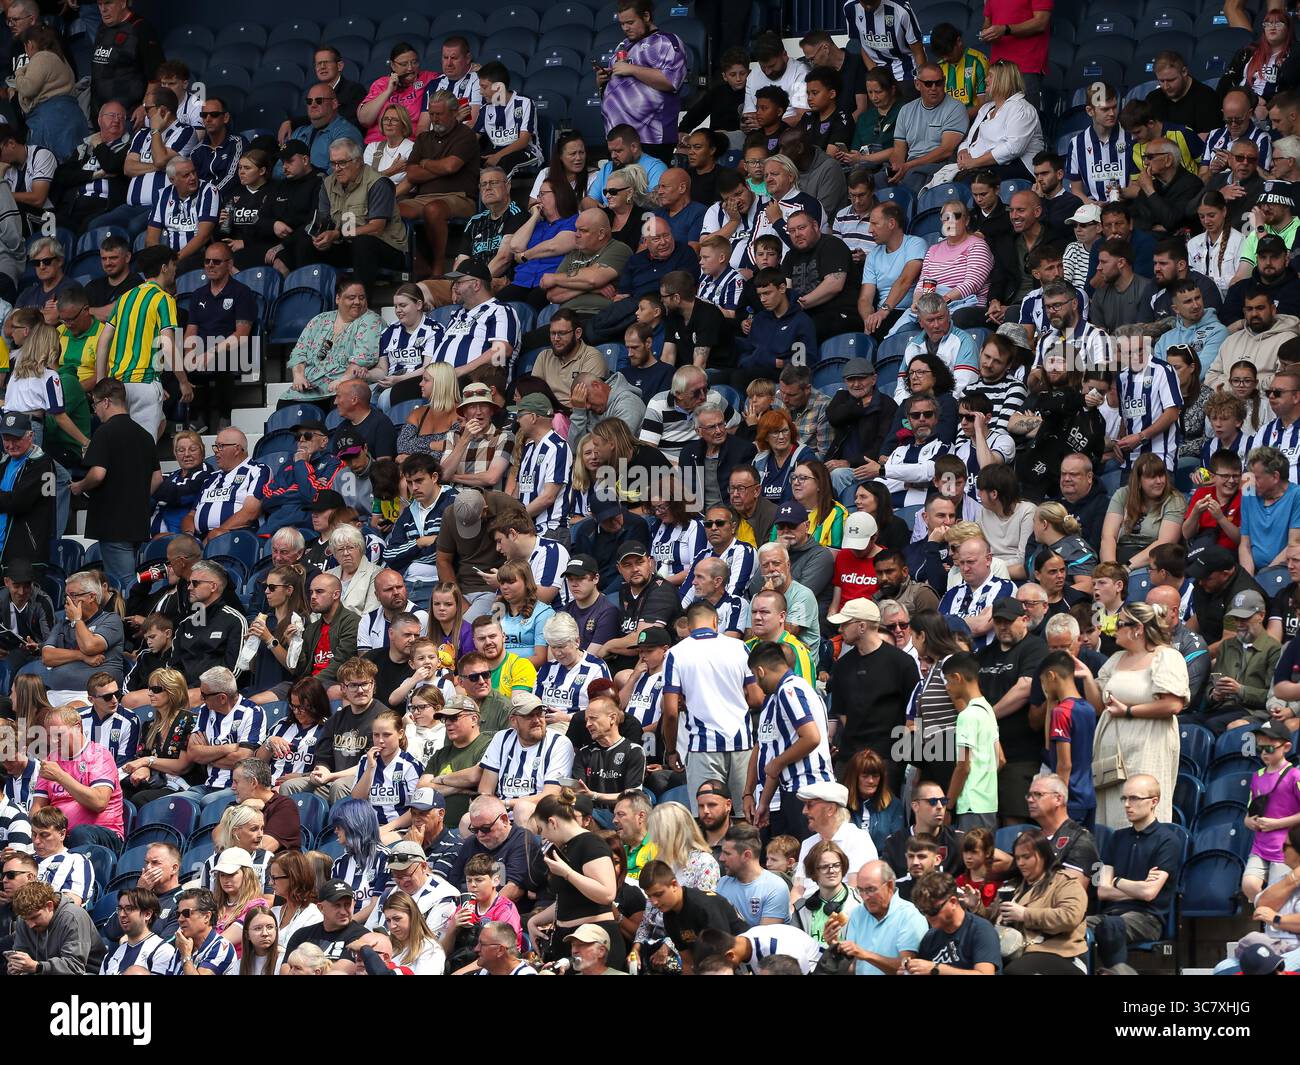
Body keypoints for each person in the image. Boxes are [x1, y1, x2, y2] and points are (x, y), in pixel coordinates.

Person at [1094, 603, 1189, 829]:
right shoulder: (1116, 658)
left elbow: (1173, 704)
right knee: (1110, 821)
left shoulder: (1166, 656)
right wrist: (1084, 678)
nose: (1113, 628)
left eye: (1119, 624)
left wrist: (1128, 711)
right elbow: (1098, 705)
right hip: (1110, 757)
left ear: (1138, 628)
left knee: (1140, 809)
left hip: (1147, 746)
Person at [1089, 774, 1184, 969]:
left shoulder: (1168, 840)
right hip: (1110, 914)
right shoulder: (1116, 837)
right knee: (1071, 927)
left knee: (1110, 926)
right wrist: (1137, 887)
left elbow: (1149, 894)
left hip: (1148, 918)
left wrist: (1115, 881)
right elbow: (1101, 890)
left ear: (1153, 802)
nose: (1126, 804)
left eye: (1134, 798)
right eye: (1124, 798)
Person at [904, 870, 1000, 974]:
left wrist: (936, 969)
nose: (928, 917)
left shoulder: (981, 930)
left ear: (953, 902)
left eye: (933, 911)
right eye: (923, 911)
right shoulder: (930, 937)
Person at [1100, 454, 1185, 569]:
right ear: (1138, 480)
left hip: (1153, 564)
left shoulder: (1174, 499)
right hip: (1119, 558)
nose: (1159, 481)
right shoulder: (1123, 494)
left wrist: (1127, 567)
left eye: (1161, 476)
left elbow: (1165, 543)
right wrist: (1111, 569)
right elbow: (1108, 536)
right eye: (1152, 477)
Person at [7, 880, 103, 975]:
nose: (31, 925)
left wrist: (37, 967)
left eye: (35, 917)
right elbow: (21, 952)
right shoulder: (22, 920)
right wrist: (18, 967)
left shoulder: (73, 917)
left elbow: (75, 967)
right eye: (26, 919)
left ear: (50, 906)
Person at [99, 888, 176, 976]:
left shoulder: (162, 951)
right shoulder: (110, 956)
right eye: (120, 909)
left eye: (129, 908)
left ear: (147, 914)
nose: (121, 914)